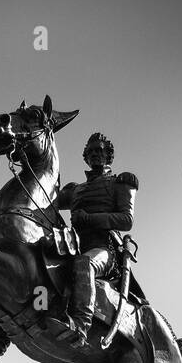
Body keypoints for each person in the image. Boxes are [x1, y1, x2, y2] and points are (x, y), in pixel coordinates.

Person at [55, 132, 138, 344]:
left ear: (108, 154)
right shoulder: (76, 190)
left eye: (99, 150)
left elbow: (126, 220)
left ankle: (81, 325)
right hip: (72, 246)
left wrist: (89, 218)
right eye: (90, 151)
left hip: (103, 249)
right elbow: (47, 197)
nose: (94, 154)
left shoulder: (120, 182)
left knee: (86, 263)